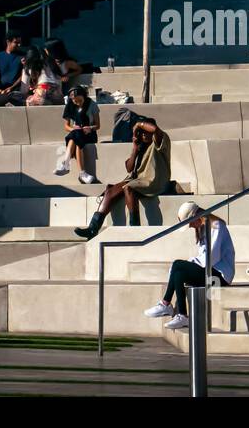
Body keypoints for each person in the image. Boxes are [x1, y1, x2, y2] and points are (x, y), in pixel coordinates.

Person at [142, 202, 235, 330]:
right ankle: (182, 315)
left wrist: (187, 263)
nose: (191, 227)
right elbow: (204, 259)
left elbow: (211, 257)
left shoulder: (217, 226)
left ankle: (166, 304)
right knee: (179, 273)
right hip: (210, 271)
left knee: (177, 265)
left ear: (196, 216)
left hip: (220, 277)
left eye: (191, 223)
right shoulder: (203, 228)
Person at [74, 117, 170, 239]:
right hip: (139, 179)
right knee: (110, 190)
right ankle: (93, 228)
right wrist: (135, 148)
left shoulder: (160, 141)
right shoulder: (141, 146)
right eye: (142, 132)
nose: (144, 134)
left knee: (128, 188)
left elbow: (155, 129)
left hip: (155, 180)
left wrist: (138, 125)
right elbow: (129, 168)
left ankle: (135, 227)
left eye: (146, 131)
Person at [57, 85, 100, 184]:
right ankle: (82, 173)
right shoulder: (70, 105)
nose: (78, 103)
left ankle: (66, 163)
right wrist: (73, 128)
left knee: (76, 137)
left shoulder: (92, 104)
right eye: (75, 101)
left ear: (84, 96)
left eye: (80, 100)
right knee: (76, 135)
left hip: (89, 134)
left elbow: (98, 125)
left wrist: (90, 128)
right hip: (77, 133)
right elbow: (66, 126)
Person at [0, 32, 26, 106]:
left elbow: (24, 75)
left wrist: (12, 87)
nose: (19, 45)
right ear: (8, 42)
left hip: (17, 91)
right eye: (16, 42)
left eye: (20, 42)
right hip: (1, 91)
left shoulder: (23, 56)